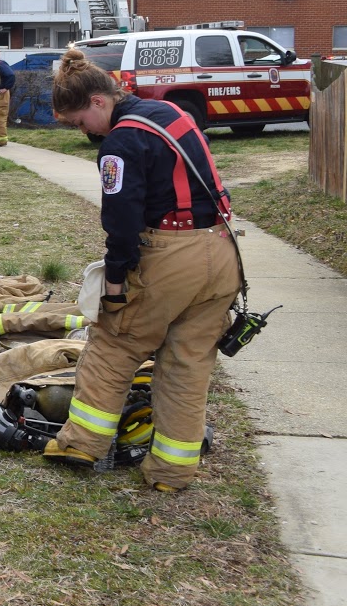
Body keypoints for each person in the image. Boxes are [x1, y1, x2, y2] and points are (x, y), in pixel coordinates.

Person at [42, 49, 240, 492]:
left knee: (115, 342)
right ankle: (172, 472)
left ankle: (82, 442)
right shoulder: (167, 112)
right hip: (222, 248)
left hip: (171, 254)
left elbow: (123, 219)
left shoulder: (121, 142)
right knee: (187, 364)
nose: (83, 131)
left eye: (79, 122)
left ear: (98, 101)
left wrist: (115, 280)